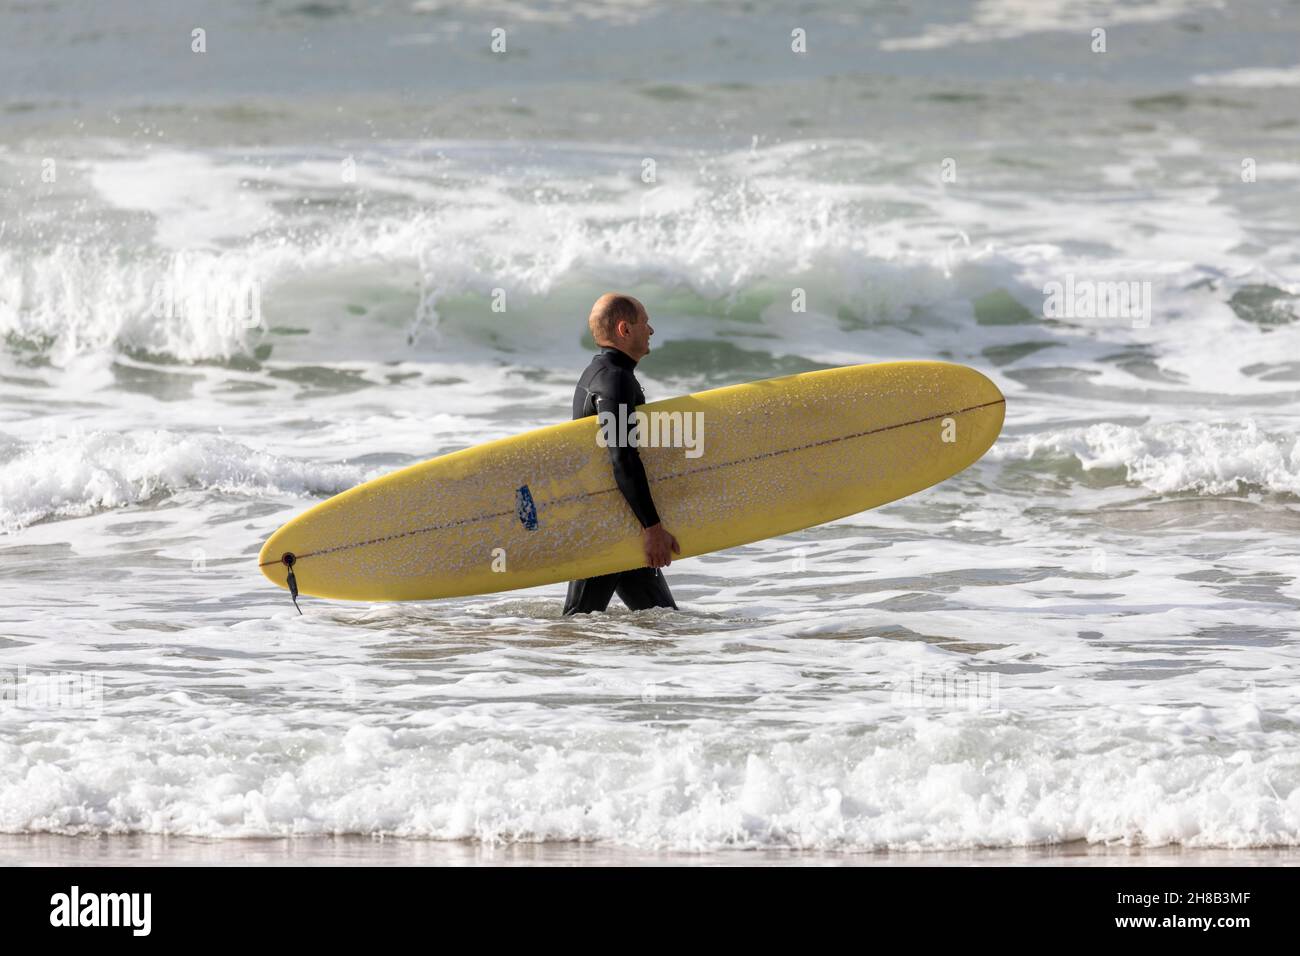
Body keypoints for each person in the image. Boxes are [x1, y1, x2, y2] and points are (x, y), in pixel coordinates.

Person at [563, 293, 680, 615]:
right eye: (646, 322)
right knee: (578, 622)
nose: (652, 330)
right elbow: (622, 455)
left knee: (661, 620)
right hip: (606, 529)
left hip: (619, 520)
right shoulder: (613, 381)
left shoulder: (604, 372)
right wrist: (653, 529)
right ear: (625, 329)